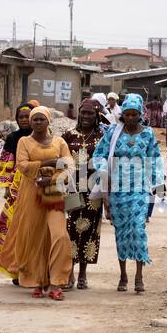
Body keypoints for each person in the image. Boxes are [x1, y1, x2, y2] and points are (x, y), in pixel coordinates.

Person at [91, 93, 164, 293]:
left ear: (140, 114)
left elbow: (155, 159)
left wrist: (159, 186)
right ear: (123, 114)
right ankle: (123, 274)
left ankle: (139, 275)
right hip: (117, 190)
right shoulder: (113, 132)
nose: (130, 118)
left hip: (140, 189)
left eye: (134, 115)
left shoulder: (148, 134)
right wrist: (104, 171)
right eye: (127, 115)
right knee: (121, 232)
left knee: (139, 229)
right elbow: (99, 155)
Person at [0, 106, 73, 299]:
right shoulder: (24, 141)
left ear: (49, 121)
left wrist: (52, 178)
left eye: (41, 119)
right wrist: (49, 163)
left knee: (59, 235)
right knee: (35, 237)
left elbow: (69, 165)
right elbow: (22, 165)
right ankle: (39, 281)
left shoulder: (59, 141)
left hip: (54, 194)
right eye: (35, 120)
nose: (38, 122)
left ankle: (57, 282)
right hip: (30, 194)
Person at [0, 101, 38, 280]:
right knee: (12, 229)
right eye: (20, 117)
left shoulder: (42, 136)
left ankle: (33, 268)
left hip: (37, 186)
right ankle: (15, 269)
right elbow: (6, 163)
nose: (23, 120)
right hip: (16, 189)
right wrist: (6, 187)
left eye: (26, 117)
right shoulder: (13, 138)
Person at [61, 99, 104, 290]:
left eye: (90, 114)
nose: (86, 117)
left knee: (88, 230)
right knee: (69, 229)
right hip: (71, 188)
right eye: (83, 113)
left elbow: (105, 162)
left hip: (93, 192)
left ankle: (83, 274)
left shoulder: (102, 137)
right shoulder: (68, 136)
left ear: (97, 116)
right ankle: (69, 271)